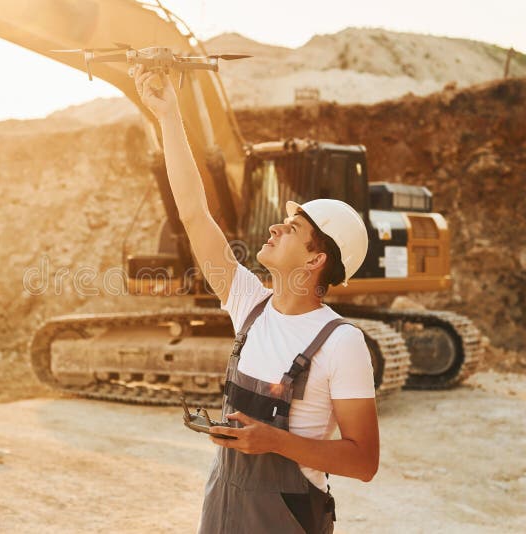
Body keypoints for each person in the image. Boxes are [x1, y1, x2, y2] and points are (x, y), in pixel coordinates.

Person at [135, 65, 379, 534]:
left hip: (286, 517)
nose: (274, 227)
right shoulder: (249, 302)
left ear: (315, 260)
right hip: (223, 502)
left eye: (292, 229)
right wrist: (168, 115)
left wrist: (274, 441)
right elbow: (193, 212)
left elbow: (364, 461)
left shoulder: (341, 344)